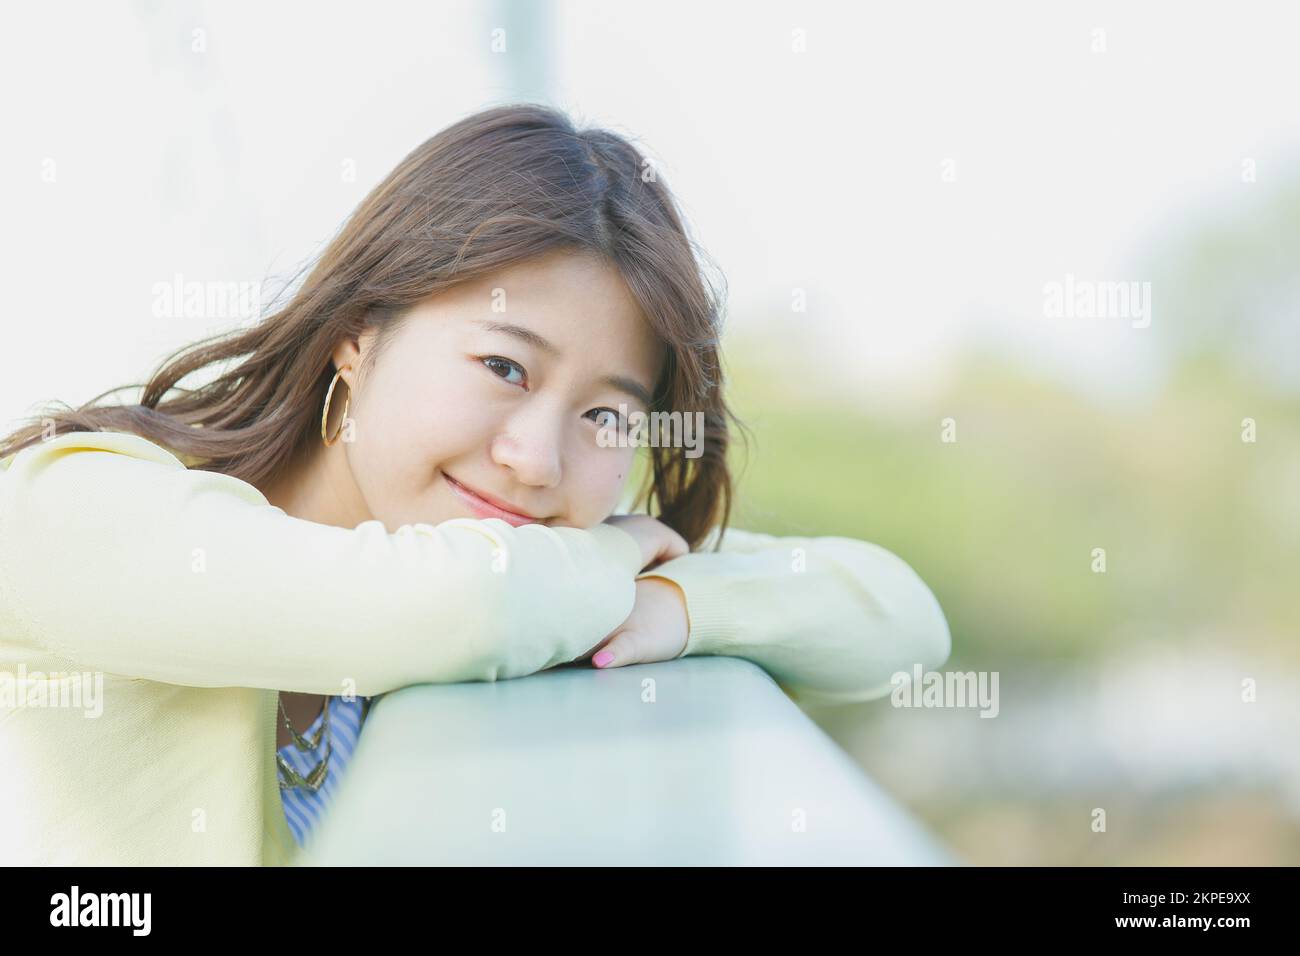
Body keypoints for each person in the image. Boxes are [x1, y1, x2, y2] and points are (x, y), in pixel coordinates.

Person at [0, 104, 950, 865]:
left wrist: (671, 603)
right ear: (358, 333)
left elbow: (895, 619)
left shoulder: (543, 568)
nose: (536, 461)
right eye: (504, 367)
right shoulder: (68, 509)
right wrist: (611, 556)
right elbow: (459, 605)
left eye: (606, 416)